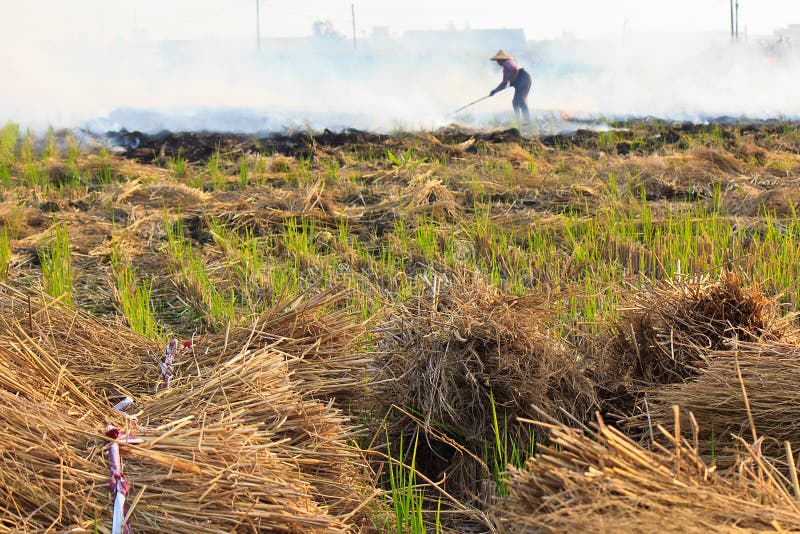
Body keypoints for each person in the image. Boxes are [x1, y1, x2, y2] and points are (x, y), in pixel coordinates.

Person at [489, 49, 532, 125]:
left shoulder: (506, 64)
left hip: (523, 79)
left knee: (520, 100)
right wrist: (495, 91)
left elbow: (512, 73)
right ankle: (520, 121)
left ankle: (526, 121)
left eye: (497, 60)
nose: (497, 62)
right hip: (524, 78)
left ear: (500, 60)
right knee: (516, 101)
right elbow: (505, 82)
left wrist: (494, 91)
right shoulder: (508, 64)